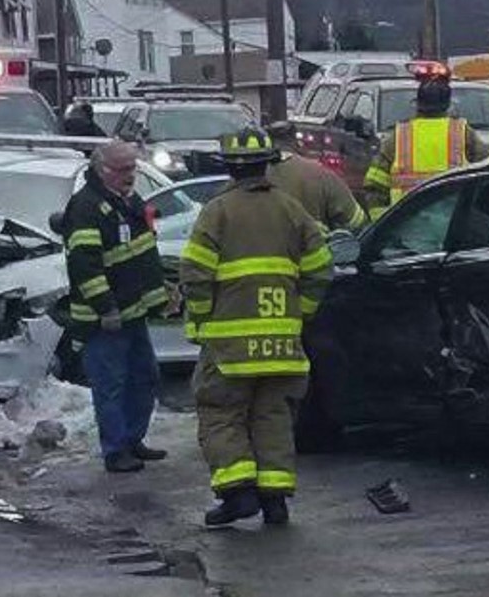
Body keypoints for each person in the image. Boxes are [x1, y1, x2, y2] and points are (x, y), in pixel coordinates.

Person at [180, 127, 332, 527]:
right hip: (282, 342)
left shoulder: (217, 211)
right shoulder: (291, 209)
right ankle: (275, 500)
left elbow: (195, 272)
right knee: (273, 417)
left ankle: (238, 493)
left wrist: (199, 319)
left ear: (229, 167)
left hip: (229, 346)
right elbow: (320, 267)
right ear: (268, 164)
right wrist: (303, 311)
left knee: (221, 413)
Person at [61, 141, 170, 473]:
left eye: (132, 169)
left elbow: (141, 254)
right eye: (122, 170)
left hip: (132, 312)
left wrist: (160, 295)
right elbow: (85, 266)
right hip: (103, 319)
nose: (130, 176)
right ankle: (115, 449)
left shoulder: (126, 201)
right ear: (100, 170)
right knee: (110, 384)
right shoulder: (86, 207)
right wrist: (105, 307)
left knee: (144, 377)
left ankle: (132, 439)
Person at [364, 77, 489, 217]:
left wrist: (380, 224)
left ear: (417, 104)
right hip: (451, 225)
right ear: (448, 105)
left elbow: (374, 185)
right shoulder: (463, 133)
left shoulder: (398, 137)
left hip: (406, 225)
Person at [266, 121, 368, 232]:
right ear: (296, 142)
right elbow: (357, 222)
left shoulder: (252, 175)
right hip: (313, 247)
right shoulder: (320, 174)